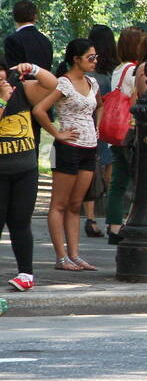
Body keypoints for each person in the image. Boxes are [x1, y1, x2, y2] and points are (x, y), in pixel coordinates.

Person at [32, 40, 100, 271]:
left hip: (89, 148)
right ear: (76, 59)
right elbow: (39, 110)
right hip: (68, 148)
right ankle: (61, 257)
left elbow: (98, 106)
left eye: (95, 57)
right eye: (90, 57)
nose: (94, 61)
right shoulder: (64, 83)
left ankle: (75, 254)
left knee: (76, 204)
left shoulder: (93, 82)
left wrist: (97, 128)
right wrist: (57, 133)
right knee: (59, 204)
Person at [0, 58, 58, 290]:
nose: (3, 83)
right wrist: (2, 100)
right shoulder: (5, 97)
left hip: (25, 169)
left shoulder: (21, 90)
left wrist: (33, 69)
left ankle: (26, 273)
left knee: (20, 222)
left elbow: (52, 85)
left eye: (4, 78)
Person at [104, 27, 147, 244]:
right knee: (139, 180)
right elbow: (136, 99)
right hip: (129, 130)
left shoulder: (117, 69)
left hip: (115, 133)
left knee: (118, 182)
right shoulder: (135, 69)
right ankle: (132, 223)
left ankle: (113, 227)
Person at [80, 24, 116, 238]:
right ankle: (113, 219)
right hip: (113, 127)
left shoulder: (91, 75)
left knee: (91, 171)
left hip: (92, 125)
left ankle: (91, 218)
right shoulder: (117, 71)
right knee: (112, 173)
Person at [3, 0, 54, 71]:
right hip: (45, 81)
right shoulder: (45, 41)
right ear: (35, 17)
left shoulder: (12, 40)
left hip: (23, 81)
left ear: (14, 17)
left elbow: (13, 71)